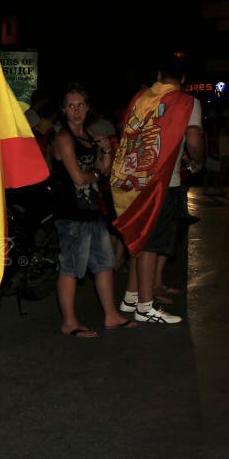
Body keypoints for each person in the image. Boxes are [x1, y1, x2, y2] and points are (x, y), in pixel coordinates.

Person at [112, 54, 204, 325]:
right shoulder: (187, 102)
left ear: (159, 75)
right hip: (162, 184)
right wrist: (197, 160)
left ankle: (130, 297)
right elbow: (194, 138)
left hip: (132, 180)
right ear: (184, 79)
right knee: (151, 245)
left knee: (138, 241)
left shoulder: (141, 97)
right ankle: (145, 306)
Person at [50, 84, 138, 338]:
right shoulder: (64, 138)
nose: (77, 110)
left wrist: (106, 151)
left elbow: (105, 170)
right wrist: (98, 172)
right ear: (64, 110)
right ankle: (69, 322)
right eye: (71, 106)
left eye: (81, 105)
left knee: (104, 264)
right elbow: (79, 177)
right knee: (71, 268)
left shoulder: (88, 136)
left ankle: (111, 315)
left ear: (88, 108)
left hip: (90, 209)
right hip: (70, 213)